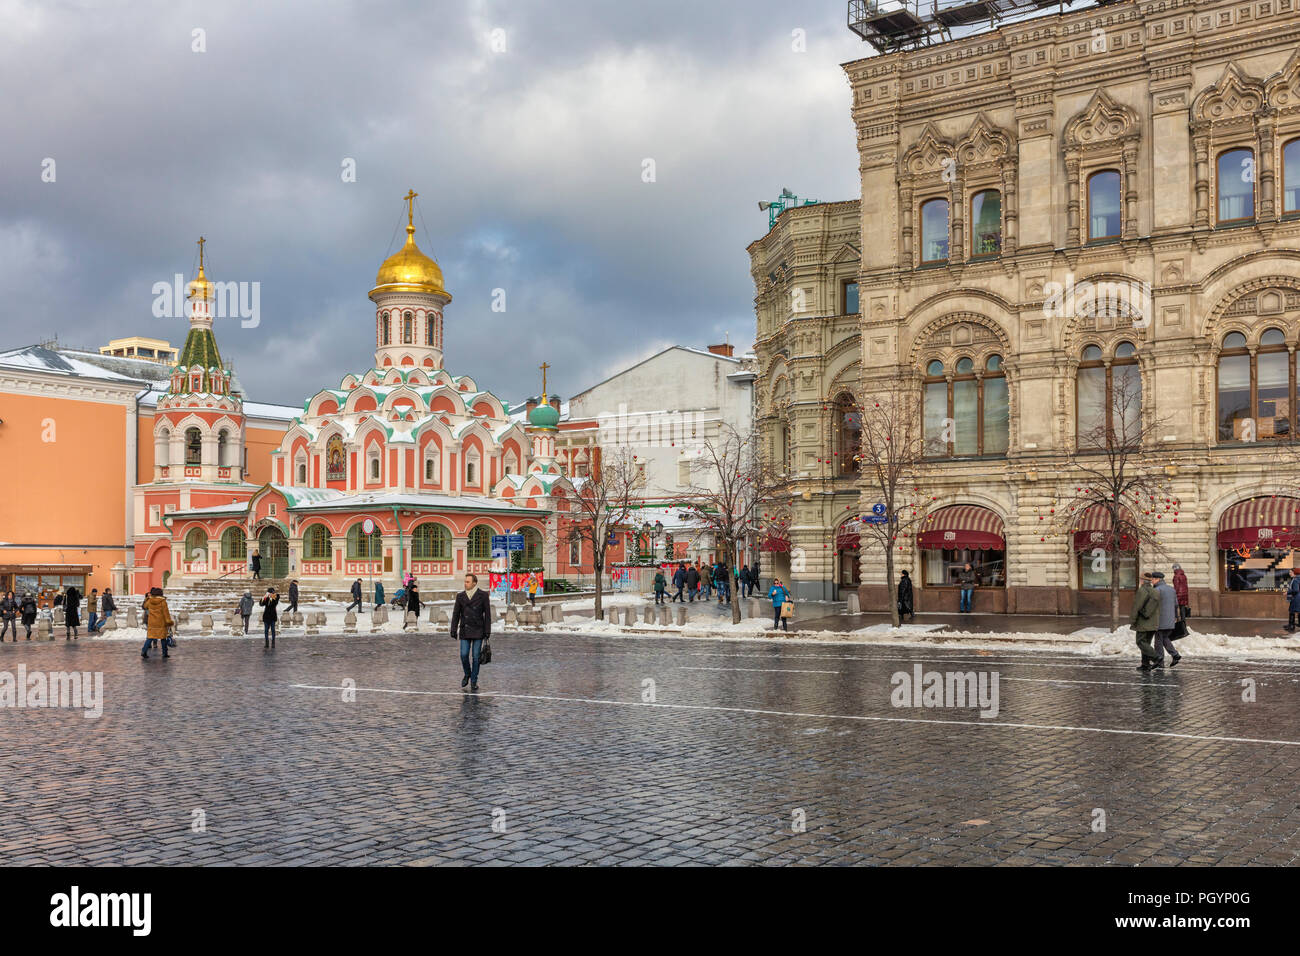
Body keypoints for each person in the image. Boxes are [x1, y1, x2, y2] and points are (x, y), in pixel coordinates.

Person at [450, 573, 491, 692]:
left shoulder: (483, 595)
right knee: (463, 655)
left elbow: (487, 615)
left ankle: (473, 680)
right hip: (465, 629)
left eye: (467, 582)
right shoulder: (460, 596)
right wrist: (453, 629)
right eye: (465, 581)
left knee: (476, 657)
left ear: (474, 583)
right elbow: (456, 614)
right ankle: (467, 674)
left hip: (478, 629)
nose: (465, 583)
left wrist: (487, 631)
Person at [1130, 572, 1161, 671]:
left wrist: (1133, 620)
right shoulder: (1155, 591)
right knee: (1146, 643)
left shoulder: (1142, 591)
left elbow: (1136, 607)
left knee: (1140, 642)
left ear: (1142, 581)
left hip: (1143, 622)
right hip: (1153, 622)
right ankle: (1145, 664)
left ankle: (1156, 657)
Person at [1151, 571, 1180, 667]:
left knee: (1158, 641)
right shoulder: (1171, 589)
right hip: (1170, 619)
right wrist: (1176, 617)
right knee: (1164, 638)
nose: (1151, 581)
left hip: (1160, 619)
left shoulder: (1157, 590)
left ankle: (1159, 662)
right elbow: (1176, 605)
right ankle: (1175, 655)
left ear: (1158, 579)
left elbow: (1152, 605)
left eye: (1153, 579)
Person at [141, 586, 172, 660]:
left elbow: (144, 606)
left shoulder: (149, 601)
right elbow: (166, 613)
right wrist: (169, 622)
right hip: (160, 622)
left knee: (150, 638)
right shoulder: (163, 602)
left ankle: (144, 651)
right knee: (163, 638)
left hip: (152, 622)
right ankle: (165, 653)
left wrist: (147, 598)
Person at [1287, 568, 1300, 632]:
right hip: (1298, 597)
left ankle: (1291, 626)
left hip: (1296, 598)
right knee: (1298, 611)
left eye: (1291, 572)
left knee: (1291, 611)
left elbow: (1296, 590)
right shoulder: (1298, 578)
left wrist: (1287, 592)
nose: (1289, 574)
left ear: (1295, 573)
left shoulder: (1295, 580)